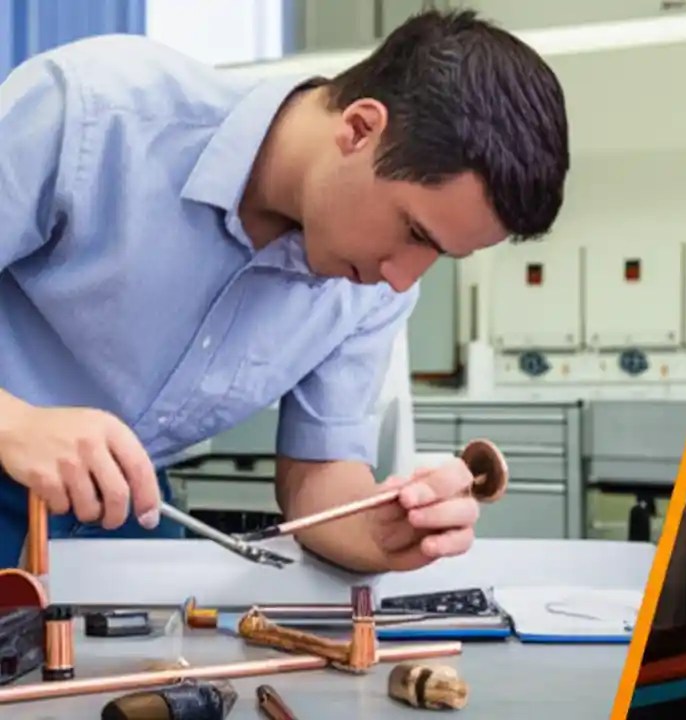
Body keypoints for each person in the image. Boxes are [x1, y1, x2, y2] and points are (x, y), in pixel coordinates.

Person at [0, 10, 569, 574]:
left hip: (126, 515)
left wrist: (383, 530)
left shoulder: (373, 290)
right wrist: (17, 425)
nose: (402, 278)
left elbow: (319, 474)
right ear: (360, 129)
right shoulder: (93, 112)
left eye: (439, 253)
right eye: (415, 231)